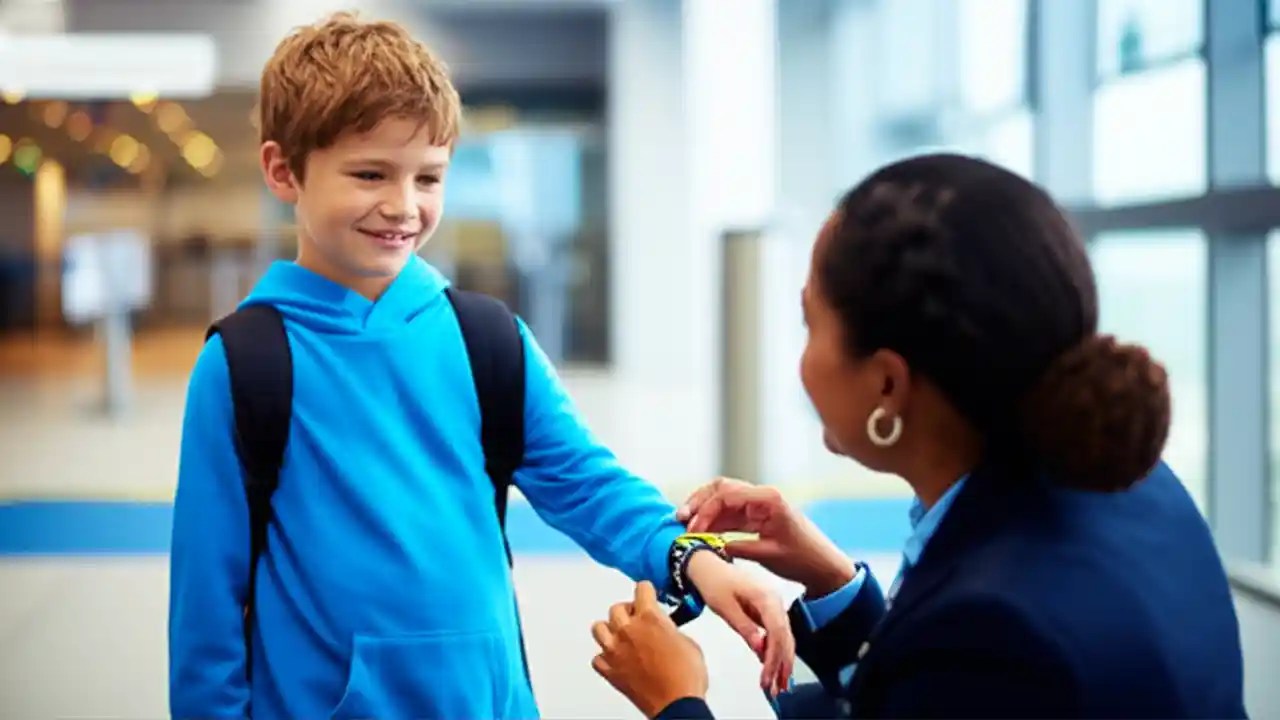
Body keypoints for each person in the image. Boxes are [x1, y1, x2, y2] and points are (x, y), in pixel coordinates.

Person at [167, 13, 792, 720]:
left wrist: (697, 560)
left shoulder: (485, 338)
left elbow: (588, 484)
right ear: (284, 170)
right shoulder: (247, 363)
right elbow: (205, 611)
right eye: (370, 173)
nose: (403, 206)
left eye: (427, 177)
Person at [588, 153, 1247, 719]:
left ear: (886, 384)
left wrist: (677, 700)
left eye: (810, 325)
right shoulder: (1128, 485)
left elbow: (966, 670)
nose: (802, 360)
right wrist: (835, 584)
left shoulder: (996, 630)